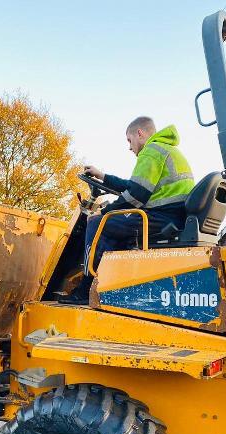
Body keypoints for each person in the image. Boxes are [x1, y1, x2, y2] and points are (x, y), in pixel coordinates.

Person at [60, 116, 195, 305]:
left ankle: (86, 289)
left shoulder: (151, 151)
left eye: (129, 140)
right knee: (114, 223)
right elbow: (133, 186)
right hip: (171, 215)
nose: (129, 147)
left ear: (140, 133)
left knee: (97, 223)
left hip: (161, 217)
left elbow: (136, 196)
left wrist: (105, 211)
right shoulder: (166, 149)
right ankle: (113, 284)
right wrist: (103, 176)